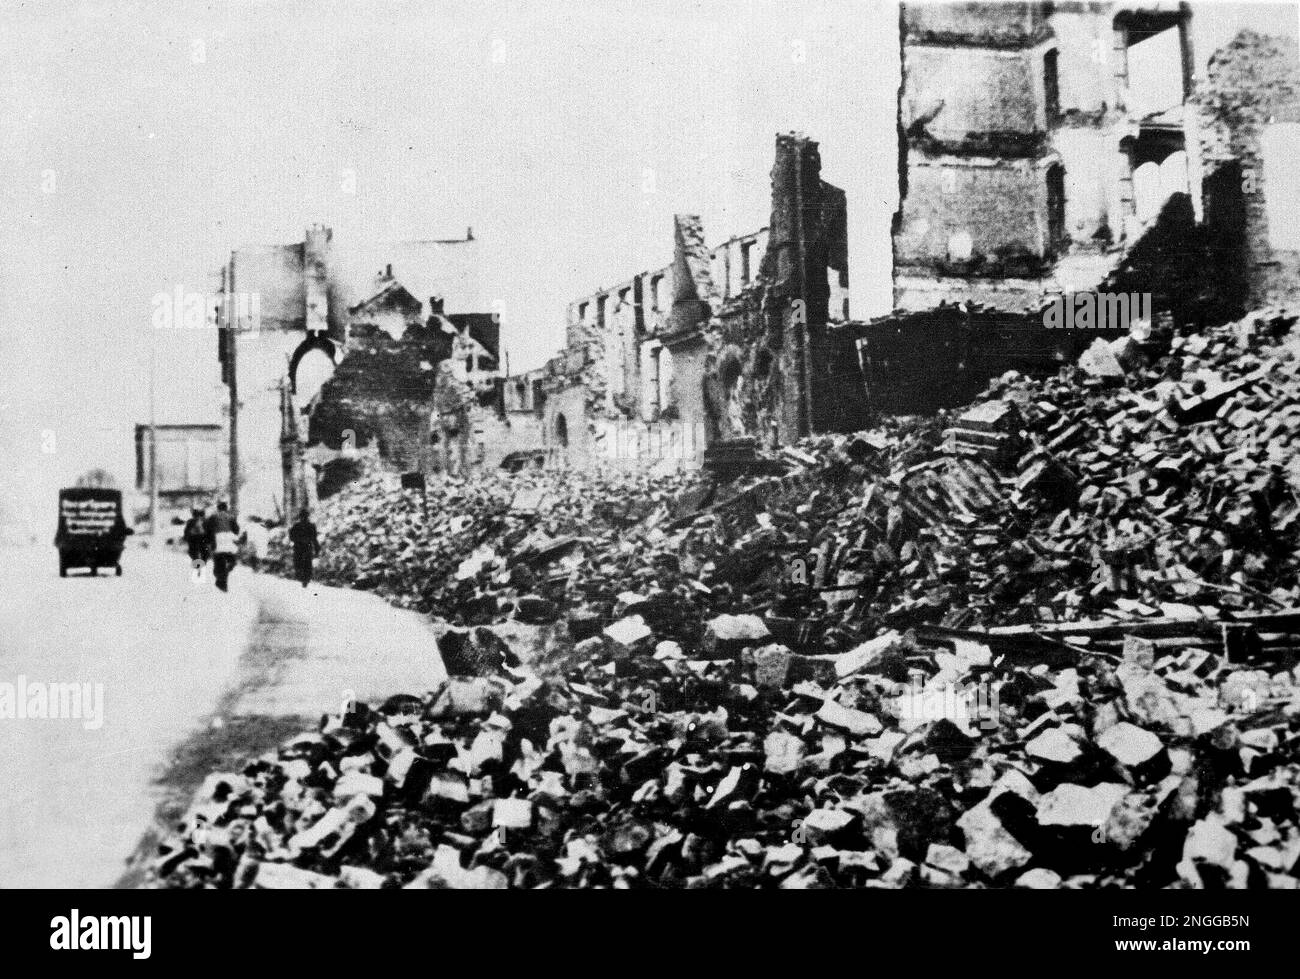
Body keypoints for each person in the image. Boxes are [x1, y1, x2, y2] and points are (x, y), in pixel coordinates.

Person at [204, 501, 240, 592]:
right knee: (231, 559)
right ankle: (226, 573)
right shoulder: (231, 517)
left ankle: (220, 580)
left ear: (218, 508)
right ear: (226, 508)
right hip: (228, 540)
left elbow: (208, 530)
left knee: (218, 561)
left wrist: (209, 543)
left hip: (217, 540)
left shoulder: (213, 517)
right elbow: (236, 530)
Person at [288, 509, 319, 588]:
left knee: (301, 564)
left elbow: (291, 537)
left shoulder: (297, 526)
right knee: (306, 564)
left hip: (299, 548)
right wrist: (317, 550)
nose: (304, 518)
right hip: (305, 547)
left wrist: (316, 549)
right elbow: (314, 539)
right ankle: (305, 580)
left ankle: (303, 579)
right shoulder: (310, 526)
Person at [182, 507, 209, 576]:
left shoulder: (190, 521)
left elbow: (186, 531)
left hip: (193, 540)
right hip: (203, 540)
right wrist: (211, 541)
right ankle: (202, 565)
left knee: (193, 553)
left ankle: (197, 566)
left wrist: (185, 539)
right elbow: (210, 532)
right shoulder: (206, 521)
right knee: (205, 553)